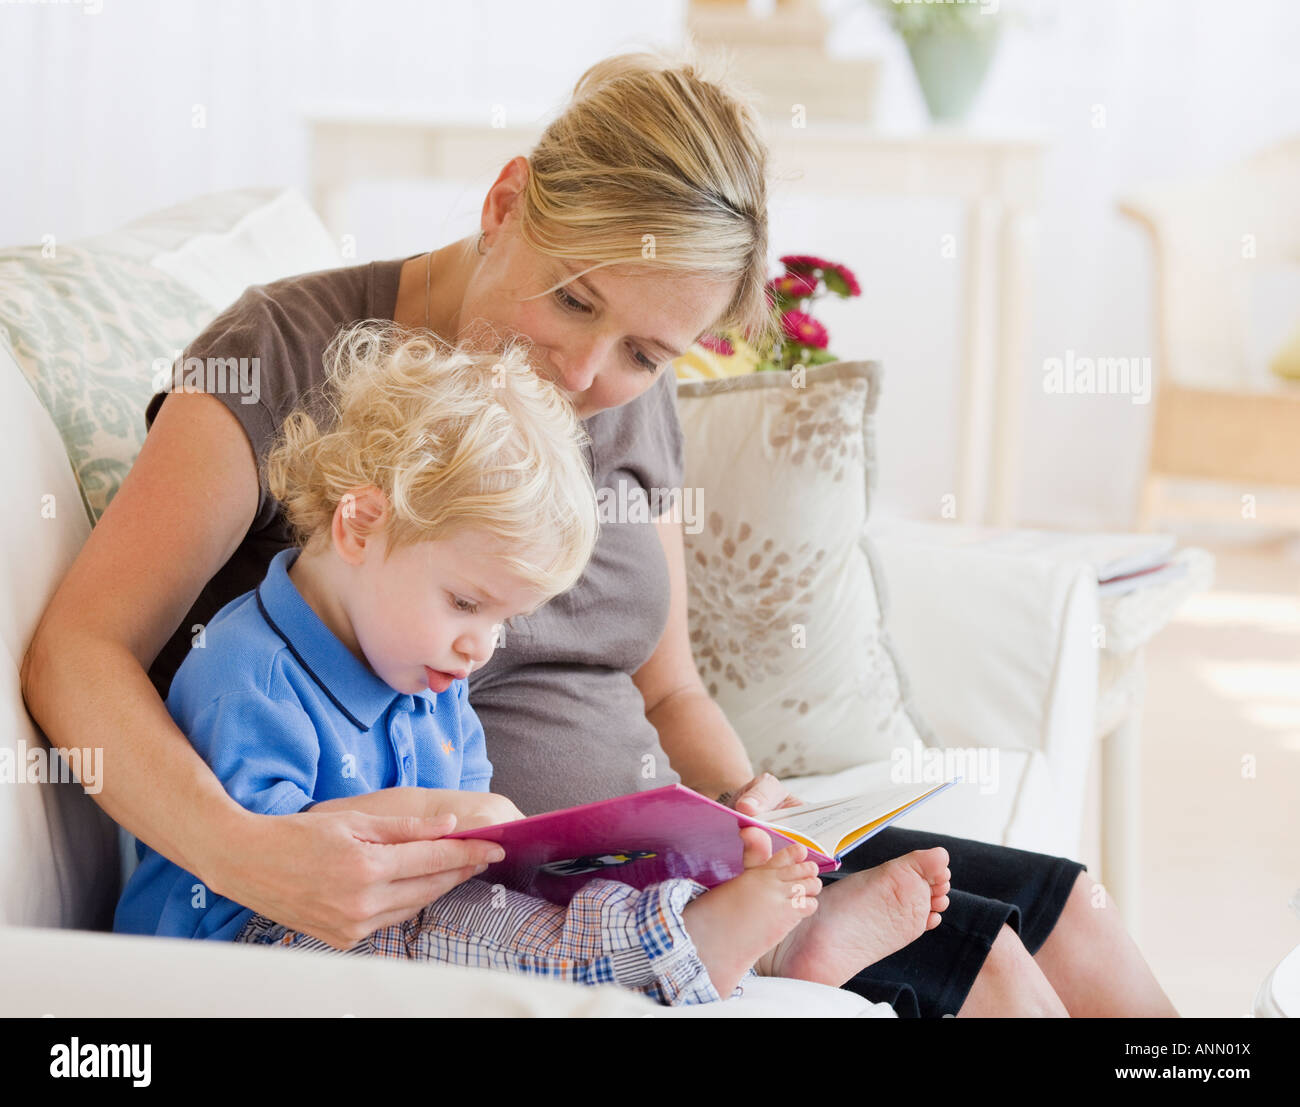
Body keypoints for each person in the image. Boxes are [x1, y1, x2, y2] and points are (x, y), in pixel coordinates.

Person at [21, 48, 1176, 1016]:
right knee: (992, 972)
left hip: (660, 855)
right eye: (573, 299)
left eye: (645, 350)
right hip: (497, 897)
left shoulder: (630, 403)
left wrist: (748, 806)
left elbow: (667, 690)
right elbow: (80, 651)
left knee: (1073, 910)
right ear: (506, 201)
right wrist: (252, 857)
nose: (584, 373)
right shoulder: (280, 353)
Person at [112, 322, 952, 1005]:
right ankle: (686, 948)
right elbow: (267, 865)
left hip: (401, 909)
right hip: (254, 944)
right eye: (468, 604)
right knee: (462, 933)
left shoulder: (427, 665)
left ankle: (743, 942)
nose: (481, 645)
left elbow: (480, 836)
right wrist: (451, 821)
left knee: (527, 906)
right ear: (360, 527)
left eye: (502, 620)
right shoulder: (247, 669)